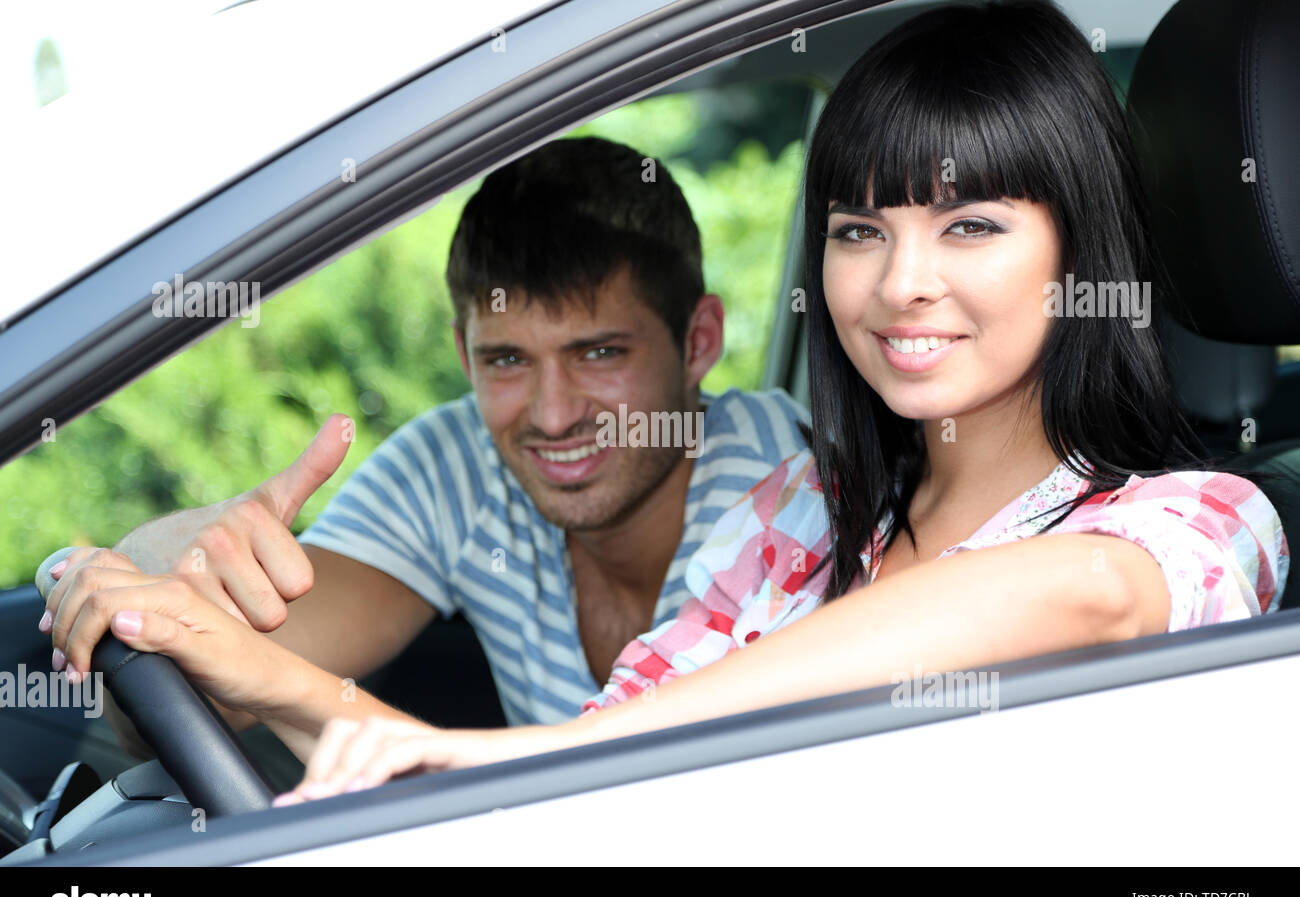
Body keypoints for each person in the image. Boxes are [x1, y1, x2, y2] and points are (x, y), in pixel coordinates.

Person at [258, 0, 1289, 802]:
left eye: (969, 225)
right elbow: (586, 765)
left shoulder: (1197, 517)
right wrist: (203, 646)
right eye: (859, 229)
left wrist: (533, 753)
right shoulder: (794, 516)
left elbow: (1085, 592)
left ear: (1077, 254)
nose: (899, 283)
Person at [36, 136, 809, 761]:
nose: (553, 413)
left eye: (599, 353)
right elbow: (195, 708)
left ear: (699, 340)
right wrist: (169, 567)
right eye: (508, 360)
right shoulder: (460, 462)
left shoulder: (791, 497)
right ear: (465, 357)